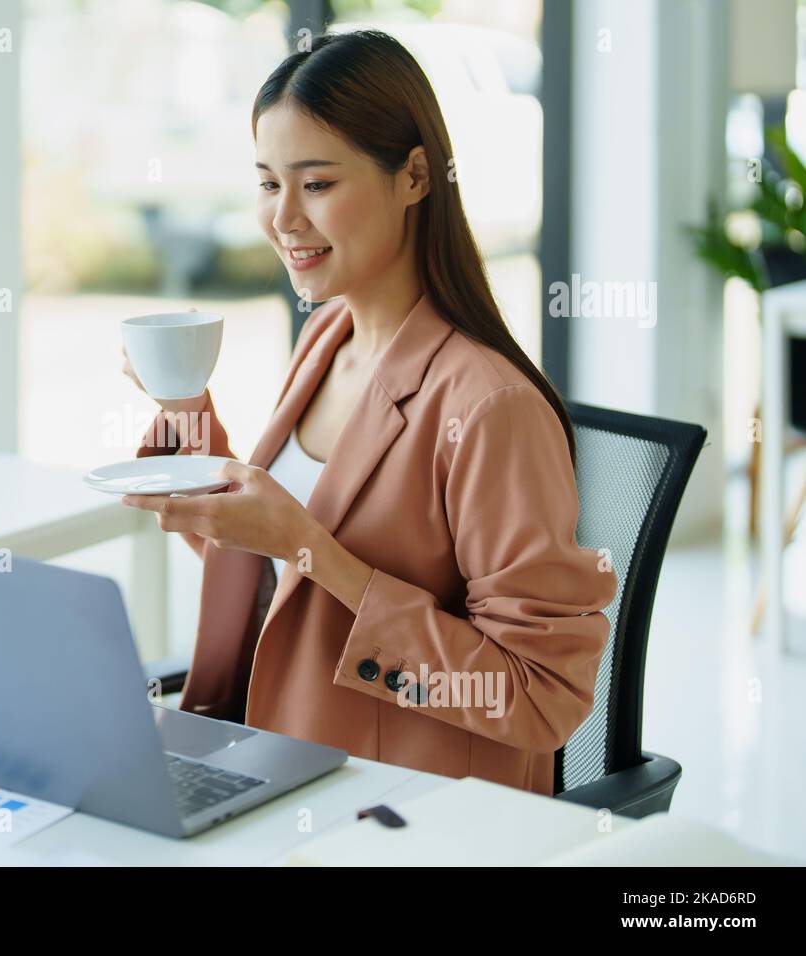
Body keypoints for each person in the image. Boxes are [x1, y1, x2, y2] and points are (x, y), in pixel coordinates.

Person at [118, 29, 617, 795]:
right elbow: (271, 576)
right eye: (267, 183)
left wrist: (314, 551)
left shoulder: (491, 408)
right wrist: (184, 411)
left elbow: (536, 697)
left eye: (316, 185)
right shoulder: (329, 337)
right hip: (276, 763)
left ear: (415, 176)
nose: (283, 218)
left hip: (400, 807)